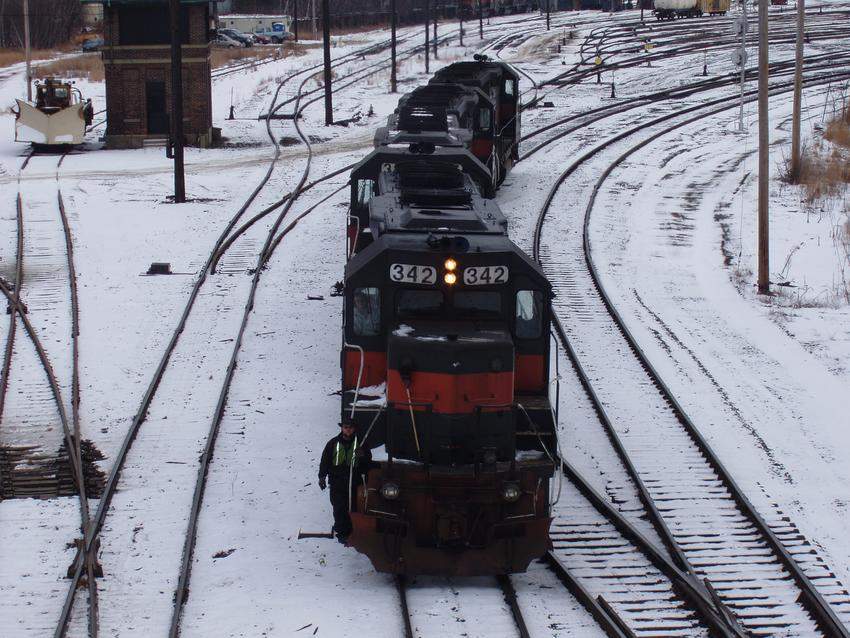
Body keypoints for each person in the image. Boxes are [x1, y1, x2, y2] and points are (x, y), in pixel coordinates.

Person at [318, 419, 372, 543]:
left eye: (350, 427)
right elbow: (325, 461)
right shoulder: (333, 443)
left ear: (354, 429)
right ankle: (342, 533)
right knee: (339, 507)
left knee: (353, 507)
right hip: (337, 482)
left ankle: (353, 531)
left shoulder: (361, 444)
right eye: (345, 427)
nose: (348, 429)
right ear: (342, 428)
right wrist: (322, 477)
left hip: (354, 483)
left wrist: (362, 455)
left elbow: (368, 463)